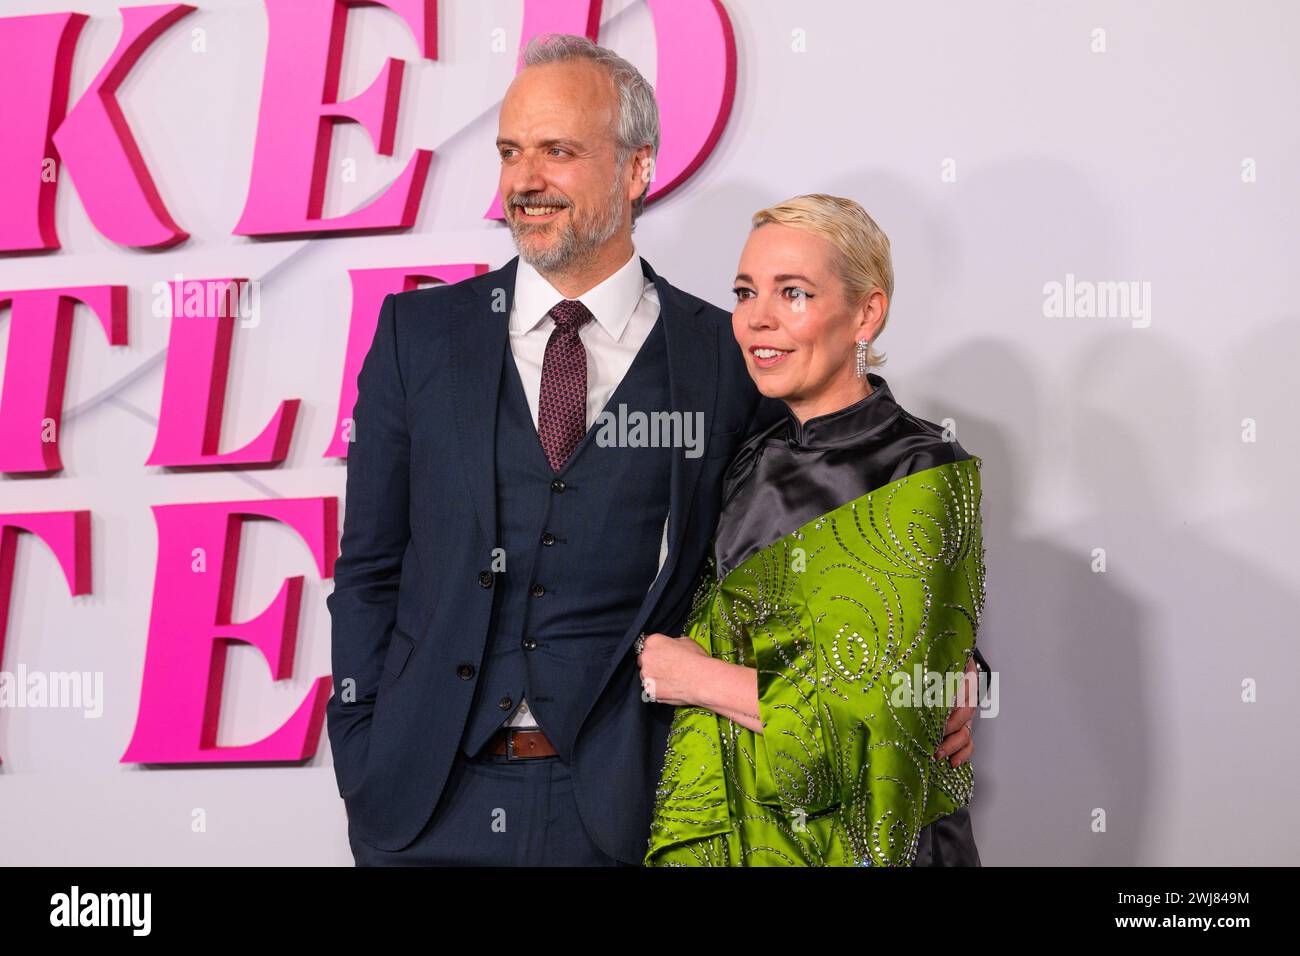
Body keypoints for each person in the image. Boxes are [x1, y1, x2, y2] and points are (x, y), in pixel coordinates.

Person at [326, 33, 985, 866]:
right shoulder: (417, 337)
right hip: (425, 807)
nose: (526, 180)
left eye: (558, 151)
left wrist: (948, 660)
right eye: (511, 152)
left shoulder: (726, 355)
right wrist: (361, 748)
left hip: (628, 811)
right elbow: (369, 568)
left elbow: (825, 511)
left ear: (637, 171)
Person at [639, 194, 987, 866]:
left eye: (793, 293)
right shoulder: (741, 456)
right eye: (745, 292)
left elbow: (875, 722)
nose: (757, 319)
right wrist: (954, 673)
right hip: (736, 833)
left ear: (866, 312)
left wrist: (693, 678)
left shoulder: (923, 465)